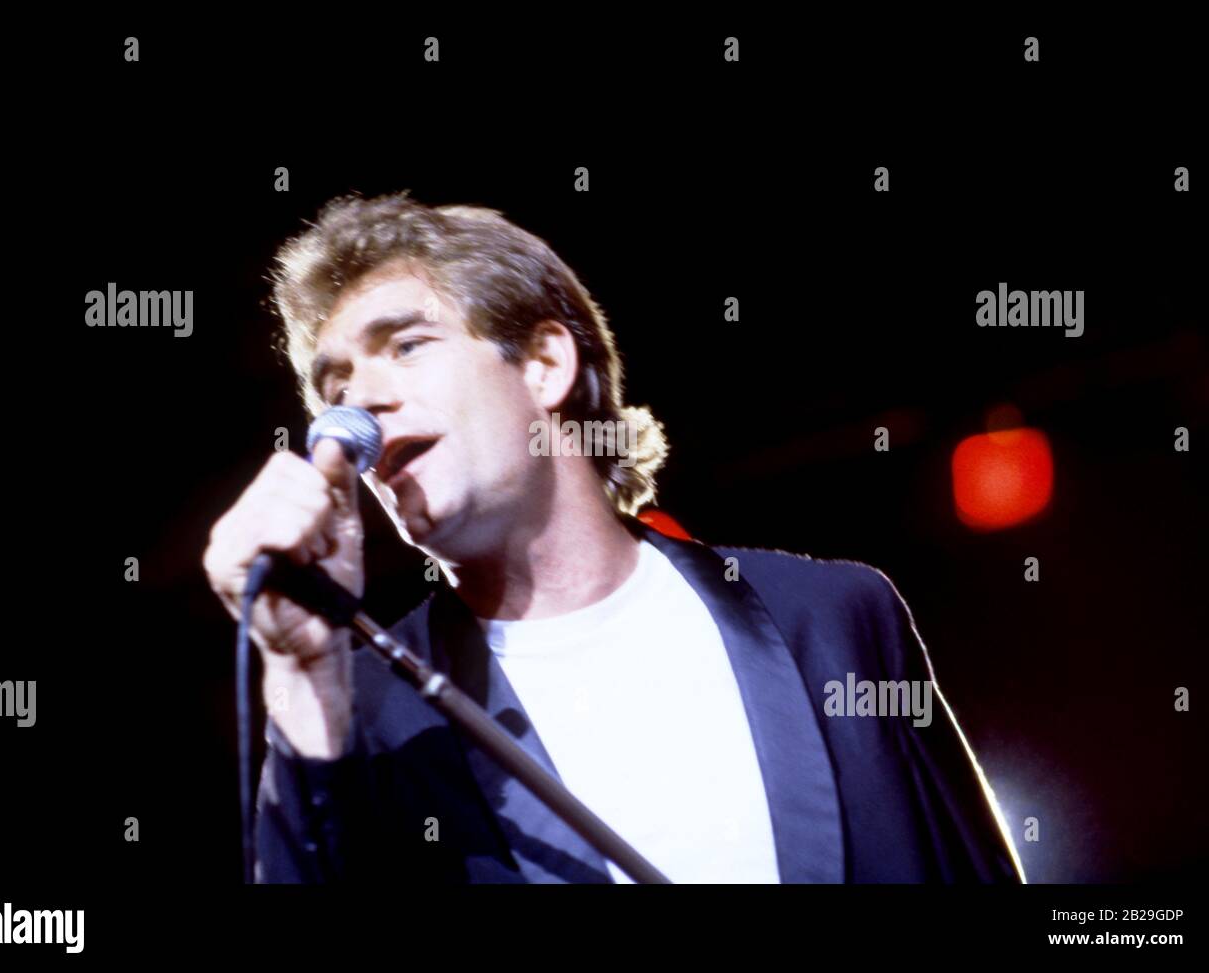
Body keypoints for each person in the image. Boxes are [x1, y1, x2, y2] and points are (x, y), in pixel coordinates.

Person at [203, 191, 1024, 884]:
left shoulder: (833, 615)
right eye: (335, 384)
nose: (361, 405)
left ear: (544, 366)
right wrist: (304, 674)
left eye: (408, 346)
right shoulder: (367, 714)